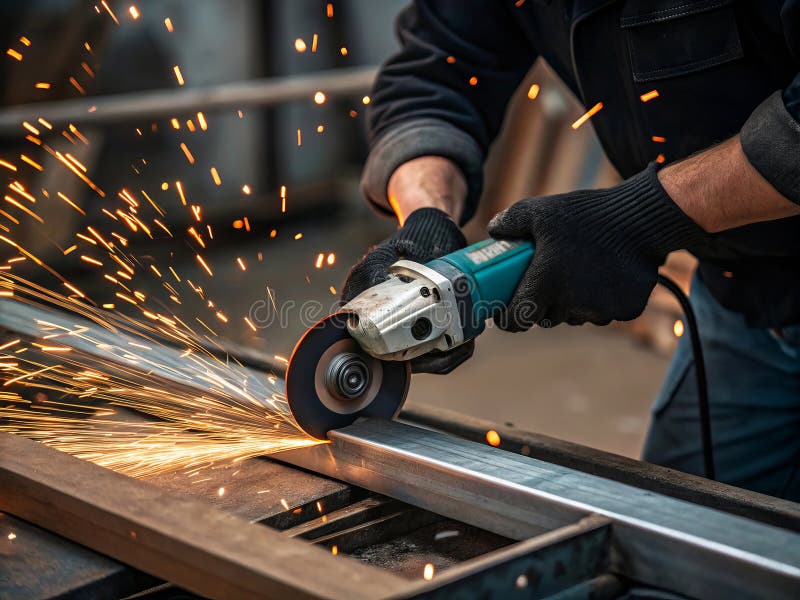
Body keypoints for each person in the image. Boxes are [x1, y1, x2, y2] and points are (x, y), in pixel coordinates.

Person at [342, 1, 800, 500]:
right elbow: (437, 71)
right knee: (675, 520)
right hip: (743, 302)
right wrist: (426, 215)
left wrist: (640, 218)